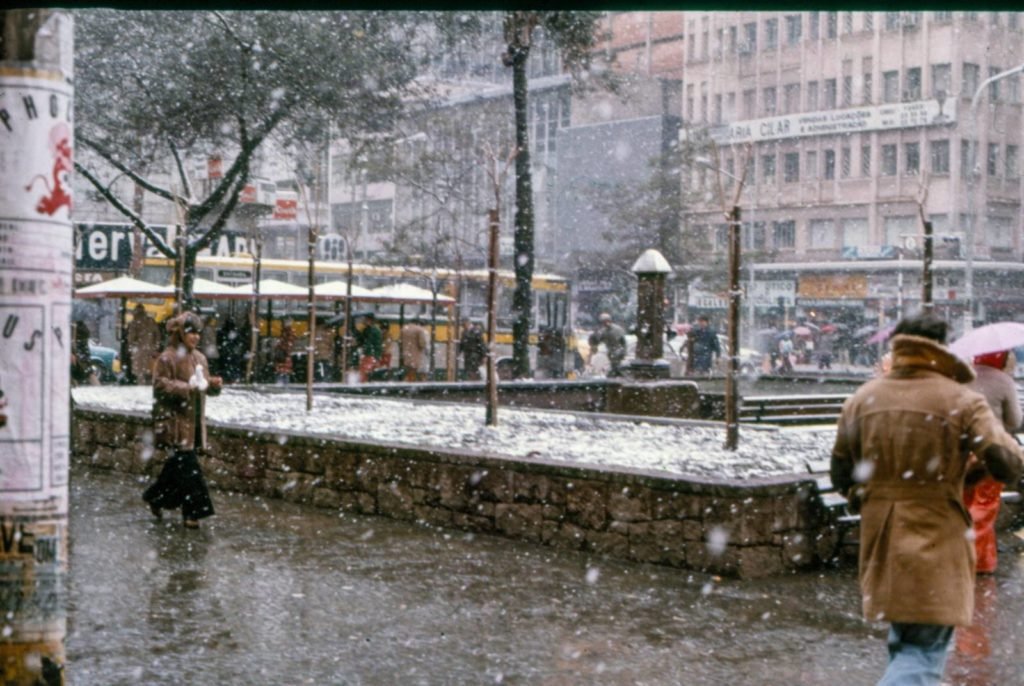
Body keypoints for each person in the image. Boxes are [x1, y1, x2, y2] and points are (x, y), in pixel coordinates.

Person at [831, 313, 1023, 685]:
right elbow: (1005, 460)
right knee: (924, 651)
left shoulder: (863, 399)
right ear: (941, 346)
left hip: (882, 535)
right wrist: (971, 471)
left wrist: (871, 499)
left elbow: (841, 472)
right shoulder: (961, 400)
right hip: (937, 529)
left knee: (906, 640)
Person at [143, 312, 224, 529]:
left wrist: (213, 385)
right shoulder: (167, 357)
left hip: (194, 421)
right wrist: (186, 388)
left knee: (176, 469)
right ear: (180, 334)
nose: (195, 337)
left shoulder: (200, 358)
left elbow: (203, 384)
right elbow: (160, 385)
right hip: (175, 423)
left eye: (198, 333)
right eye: (191, 333)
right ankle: (193, 513)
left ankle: (156, 497)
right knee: (190, 469)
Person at [964, 349, 1023, 574]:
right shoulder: (1002, 380)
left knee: (966, 504)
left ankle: (979, 560)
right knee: (984, 506)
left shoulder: (963, 376)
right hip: (992, 451)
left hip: (962, 453)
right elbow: (1015, 420)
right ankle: (977, 561)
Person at [127, 304, 161, 384]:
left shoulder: (134, 323)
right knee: (151, 372)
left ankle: (142, 389)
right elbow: (158, 335)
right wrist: (156, 346)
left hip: (138, 351)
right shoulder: (151, 321)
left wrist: (131, 347)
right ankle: (151, 387)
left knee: (140, 374)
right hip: (151, 350)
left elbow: (131, 338)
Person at [588, 313, 627, 377]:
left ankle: (616, 376)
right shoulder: (603, 331)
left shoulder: (617, 330)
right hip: (611, 352)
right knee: (614, 367)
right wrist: (594, 344)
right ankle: (615, 376)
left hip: (618, 351)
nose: (605, 323)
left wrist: (622, 351)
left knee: (616, 367)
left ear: (610, 321)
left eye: (606, 321)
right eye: (603, 322)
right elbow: (597, 340)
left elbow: (623, 342)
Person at [216, 318, 246, 384]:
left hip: (226, 353)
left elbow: (219, 341)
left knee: (225, 367)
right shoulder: (234, 332)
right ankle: (232, 378)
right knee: (232, 367)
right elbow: (239, 342)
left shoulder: (222, 332)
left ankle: (227, 378)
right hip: (232, 354)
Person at [356, 313, 383, 383]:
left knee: (364, 373)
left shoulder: (372, 330)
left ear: (369, 320)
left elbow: (368, 343)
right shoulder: (370, 329)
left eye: (365, 319)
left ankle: (363, 386)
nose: (363, 321)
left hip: (370, 355)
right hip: (372, 355)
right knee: (368, 373)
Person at [70, 321, 99, 386]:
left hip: (79, 354)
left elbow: (73, 342)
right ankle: (98, 388)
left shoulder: (74, 326)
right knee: (89, 372)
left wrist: (72, 351)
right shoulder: (82, 327)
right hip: (83, 354)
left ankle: (76, 387)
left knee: (73, 371)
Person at [400, 317, 429, 382]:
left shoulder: (404, 329)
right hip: (416, 354)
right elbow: (422, 344)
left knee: (409, 371)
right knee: (413, 371)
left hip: (406, 353)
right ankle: (409, 385)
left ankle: (406, 383)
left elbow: (400, 342)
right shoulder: (419, 330)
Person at [273, 319, 296, 385]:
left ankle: (281, 386)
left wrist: (278, 345)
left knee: (281, 376)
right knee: (284, 375)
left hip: (283, 359)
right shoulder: (289, 332)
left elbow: (286, 344)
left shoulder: (286, 332)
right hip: (285, 359)